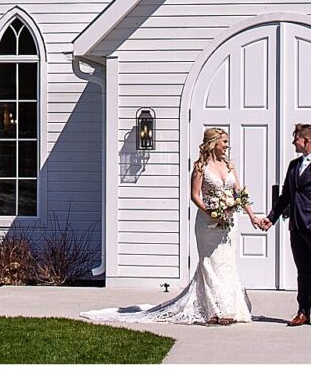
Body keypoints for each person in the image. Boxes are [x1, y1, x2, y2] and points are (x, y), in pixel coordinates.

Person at [83, 127, 266, 326]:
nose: (227, 146)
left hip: (229, 224)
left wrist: (252, 217)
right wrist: (212, 213)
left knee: (227, 263)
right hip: (207, 223)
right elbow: (195, 196)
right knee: (209, 263)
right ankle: (214, 310)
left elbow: (239, 194)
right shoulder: (200, 167)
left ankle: (228, 308)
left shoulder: (230, 166)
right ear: (214, 143)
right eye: (224, 142)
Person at [260, 122, 311, 329]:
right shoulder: (293, 165)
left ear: (306, 141)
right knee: (302, 273)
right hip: (297, 228)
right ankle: (303, 312)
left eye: (296, 138)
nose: (293, 142)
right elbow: (285, 196)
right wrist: (272, 218)